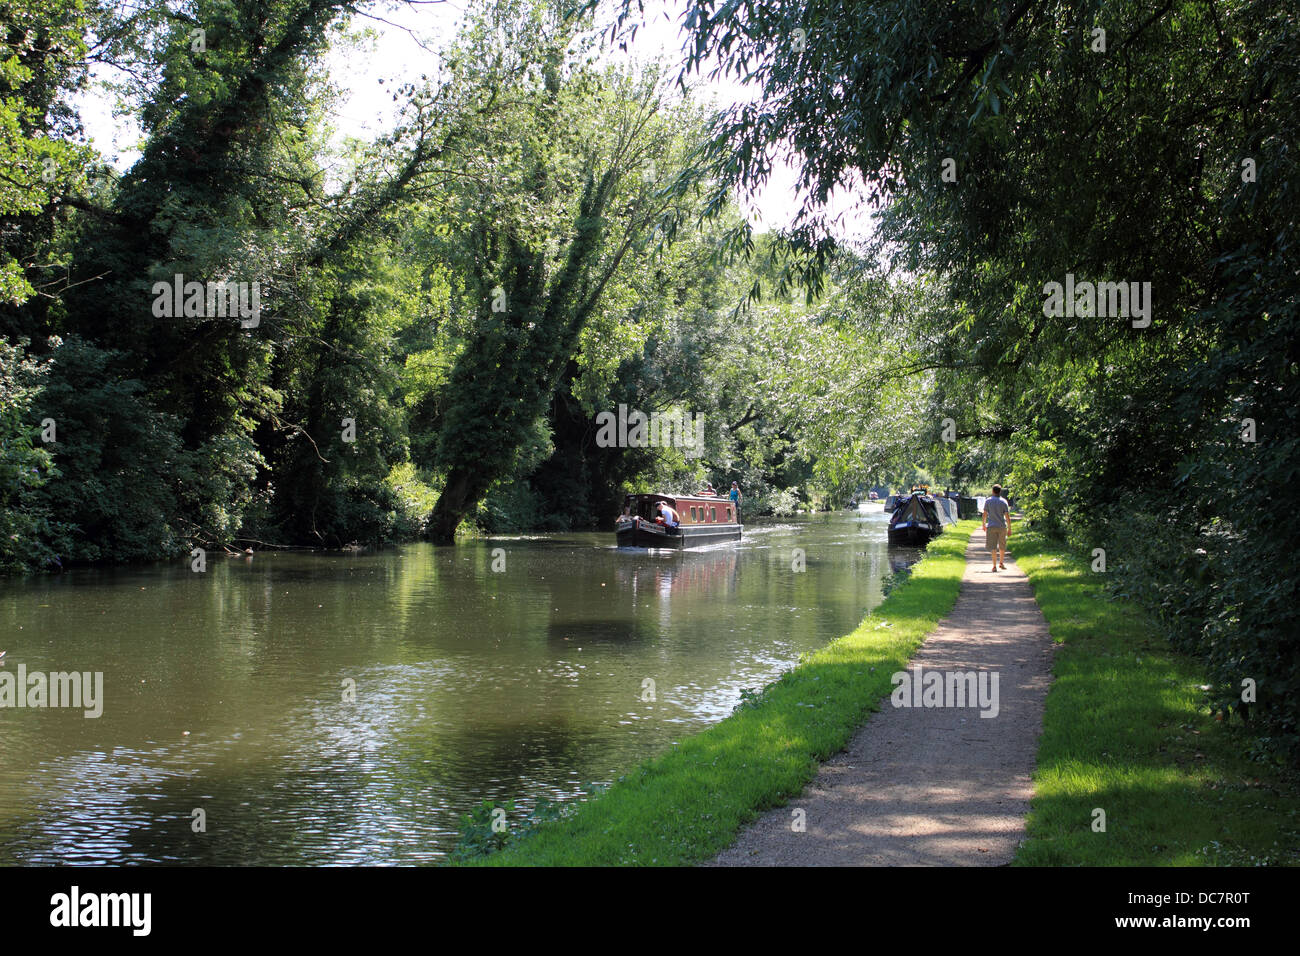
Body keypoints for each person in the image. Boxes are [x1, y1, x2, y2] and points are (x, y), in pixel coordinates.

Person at [982, 484, 1011, 572]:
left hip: (991, 526)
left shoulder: (988, 501)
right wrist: (1009, 528)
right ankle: (1001, 563)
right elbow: (1007, 516)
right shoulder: (1004, 501)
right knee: (1002, 545)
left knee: (993, 547)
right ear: (1000, 491)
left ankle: (994, 566)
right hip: (1002, 526)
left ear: (993, 491)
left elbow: (985, 514)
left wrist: (983, 524)